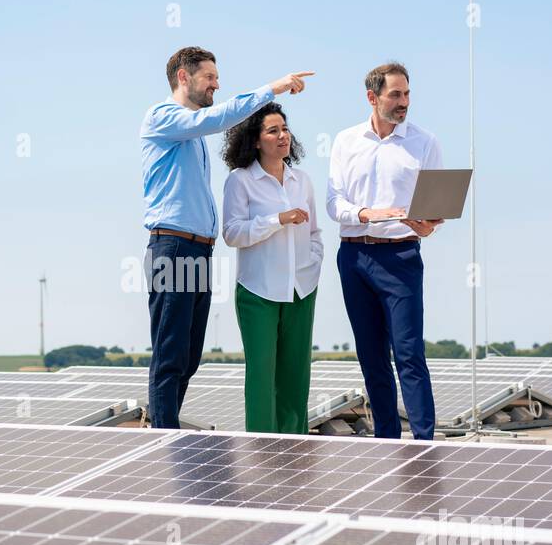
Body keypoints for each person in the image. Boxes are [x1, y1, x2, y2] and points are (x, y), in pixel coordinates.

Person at [140, 47, 312, 429]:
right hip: (173, 248)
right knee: (170, 352)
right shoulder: (163, 117)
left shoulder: (193, 132)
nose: (216, 84)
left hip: (198, 251)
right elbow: (219, 117)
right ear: (184, 78)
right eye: (210, 77)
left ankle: (167, 427)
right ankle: (163, 438)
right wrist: (272, 89)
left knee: (188, 354)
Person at [326, 61, 444, 439]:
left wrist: (429, 225)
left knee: (409, 355)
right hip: (354, 258)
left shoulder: (425, 143)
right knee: (372, 359)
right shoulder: (345, 141)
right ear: (372, 98)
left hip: (401, 258)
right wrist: (366, 214)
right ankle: (386, 442)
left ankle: (424, 443)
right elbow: (333, 203)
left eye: (407, 93)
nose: (404, 101)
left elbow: (434, 211)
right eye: (396, 94)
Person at [221, 103, 323, 434]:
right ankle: (261, 454)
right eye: (272, 131)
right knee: (262, 379)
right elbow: (232, 233)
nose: (283, 136)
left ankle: (295, 452)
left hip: (301, 290)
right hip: (258, 292)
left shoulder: (302, 180)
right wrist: (277, 220)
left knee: (296, 377)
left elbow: (316, 234)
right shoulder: (240, 181)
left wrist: (312, 267)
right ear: (255, 140)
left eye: (285, 129)